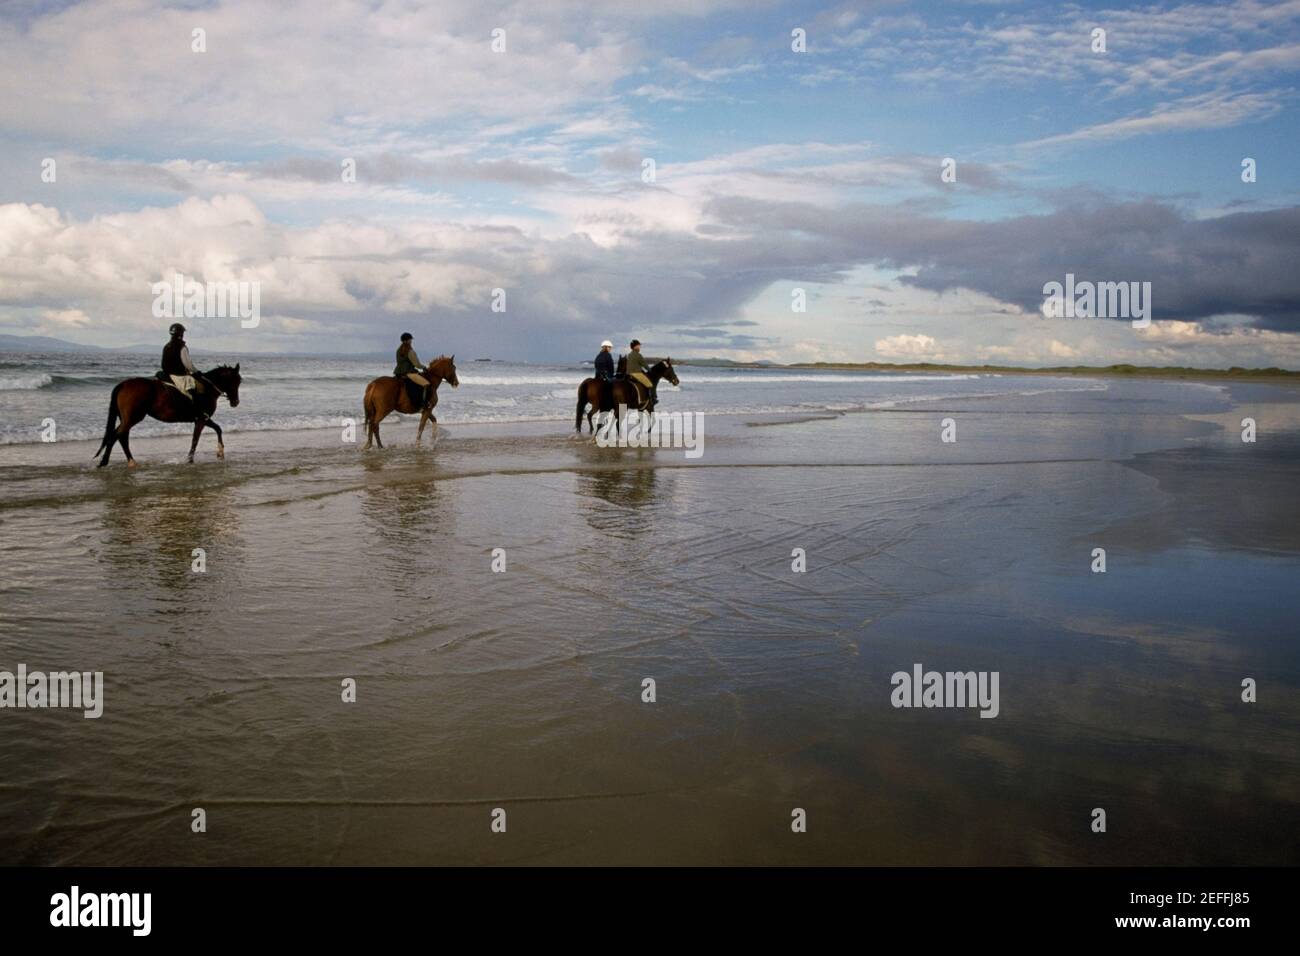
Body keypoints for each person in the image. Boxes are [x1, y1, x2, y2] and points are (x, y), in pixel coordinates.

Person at [160, 322, 206, 414]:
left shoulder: (166, 346)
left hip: (167, 375)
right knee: (200, 387)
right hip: (179, 376)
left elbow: (163, 363)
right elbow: (188, 365)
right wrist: (196, 372)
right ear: (181, 334)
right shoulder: (182, 347)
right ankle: (198, 412)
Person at [394, 332, 429, 406]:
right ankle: (423, 403)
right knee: (426, 384)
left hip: (398, 372)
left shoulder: (398, 350)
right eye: (410, 340)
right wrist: (424, 367)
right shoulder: (410, 351)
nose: (411, 341)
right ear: (407, 341)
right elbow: (416, 364)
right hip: (409, 373)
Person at [624, 338, 656, 409]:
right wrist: (650, 370)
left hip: (628, 374)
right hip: (636, 374)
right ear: (635, 347)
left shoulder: (629, 355)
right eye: (638, 346)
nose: (639, 347)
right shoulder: (638, 355)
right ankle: (651, 400)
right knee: (650, 384)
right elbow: (644, 364)